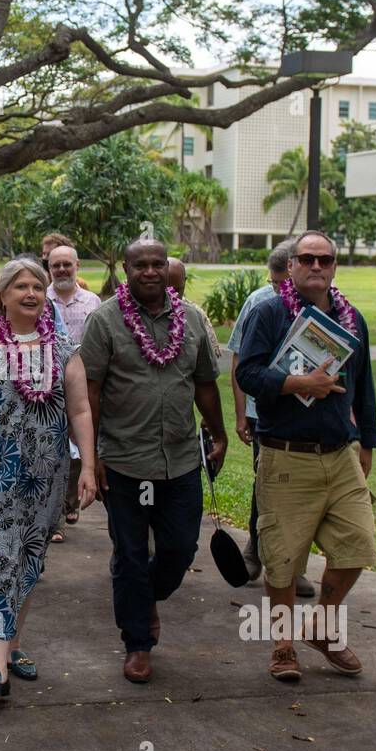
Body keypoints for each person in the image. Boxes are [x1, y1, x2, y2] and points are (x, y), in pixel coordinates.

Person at [0, 258, 97, 699]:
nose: (30, 293)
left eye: (37, 286)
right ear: (2, 296)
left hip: (43, 479)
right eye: (21, 286)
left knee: (27, 561)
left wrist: (86, 466)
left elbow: (80, 410)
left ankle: (13, 646)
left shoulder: (63, 350)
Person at [79, 238, 228, 684]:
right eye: (139, 264)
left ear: (169, 268)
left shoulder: (194, 319)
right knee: (128, 553)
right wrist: (92, 455)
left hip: (181, 458)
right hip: (123, 459)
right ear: (126, 269)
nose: (149, 271)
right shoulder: (104, 321)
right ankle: (138, 643)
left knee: (180, 549)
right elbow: (89, 392)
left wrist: (218, 432)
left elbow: (204, 383)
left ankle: (146, 599)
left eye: (157, 264)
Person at [234, 230, 376, 683]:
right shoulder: (270, 312)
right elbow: (248, 373)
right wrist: (300, 384)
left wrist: (368, 442)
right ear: (292, 265)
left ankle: (321, 623)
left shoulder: (351, 317)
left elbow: (365, 383)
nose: (317, 267)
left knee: (359, 544)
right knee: (281, 557)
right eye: (308, 259)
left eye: (326, 260)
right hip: (286, 456)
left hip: (340, 454)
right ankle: (282, 644)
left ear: (334, 266)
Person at [225, 242, 310, 593]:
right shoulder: (259, 303)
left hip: (310, 415)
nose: (279, 290)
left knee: (304, 491)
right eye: (274, 283)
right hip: (265, 416)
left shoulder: (323, 304)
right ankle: (256, 551)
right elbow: (238, 362)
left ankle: (294, 565)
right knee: (269, 484)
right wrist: (242, 413)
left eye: (282, 283)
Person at [45, 243, 101, 543]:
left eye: (67, 264)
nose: (62, 270)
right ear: (49, 268)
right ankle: (55, 519)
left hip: (84, 386)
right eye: (56, 265)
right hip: (48, 388)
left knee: (79, 444)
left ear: (77, 265)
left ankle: (69, 501)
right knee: (54, 451)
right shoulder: (40, 299)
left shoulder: (93, 302)